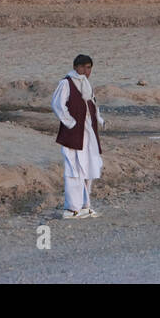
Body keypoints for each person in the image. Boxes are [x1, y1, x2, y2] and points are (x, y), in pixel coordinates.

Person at [51, 54, 103, 219]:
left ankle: (85, 206)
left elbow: (92, 105)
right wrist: (71, 123)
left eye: (89, 68)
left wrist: (99, 120)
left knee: (89, 168)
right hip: (73, 134)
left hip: (89, 134)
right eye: (84, 67)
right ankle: (71, 209)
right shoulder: (66, 83)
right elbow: (57, 105)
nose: (87, 71)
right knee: (73, 169)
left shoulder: (87, 85)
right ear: (76, 67)